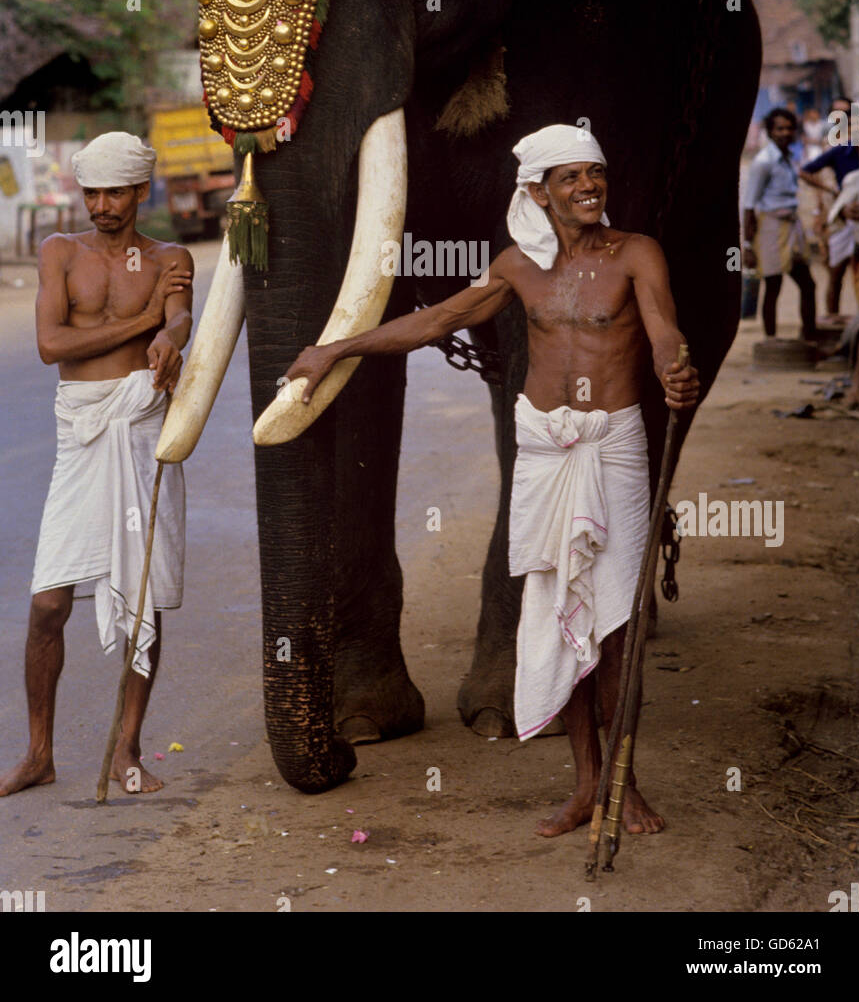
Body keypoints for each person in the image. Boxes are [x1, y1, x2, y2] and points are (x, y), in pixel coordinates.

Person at [283, 124, 699, 837]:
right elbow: (436, 319)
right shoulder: (515, 267)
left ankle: (624, 784)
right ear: (537, 192)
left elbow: (661, 326)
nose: (587, 187)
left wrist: (673, 366)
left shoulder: (635, 253)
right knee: (560, 617)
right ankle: (585, 785)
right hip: (543, 449)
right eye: (568, 178)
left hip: (612, 446)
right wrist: (336, 348)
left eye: (592, 174)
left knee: (614, 627)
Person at [0, 133, 192, 798]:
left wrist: (167, 335)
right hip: (82, 434)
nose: (103, 205)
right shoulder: (60, 252)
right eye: (92, 192)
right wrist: (144, 320)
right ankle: (38, 753)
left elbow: (181, 317)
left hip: (141, 429)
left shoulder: (169, 256)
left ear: (142, 191)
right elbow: (52, 344)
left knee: (142, 597)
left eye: (115, 191)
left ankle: (127, 751)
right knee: (48, 602)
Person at [743, 107, 817, 342]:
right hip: (770, 227)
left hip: (791, 226)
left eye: (789, 128)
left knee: (808, 284)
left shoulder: (788, 158)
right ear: (770, 131)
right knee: (773, 285)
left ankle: (809, 335)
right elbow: (749, 206)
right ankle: (771, 341)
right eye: (780, 128)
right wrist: (747, 245)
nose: (785, 132)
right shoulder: (763, 162)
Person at [800, 97, 859, 320]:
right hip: (835, 215)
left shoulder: (857, 145)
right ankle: (833, 317)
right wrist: (823, 206)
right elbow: (811, 175)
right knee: (835, 269)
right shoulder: (832, 146)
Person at [826, 166, 859, 410]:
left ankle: (857, 387)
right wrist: (848, 211)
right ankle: (856, 388)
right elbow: (835, 214)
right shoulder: (858, 180)